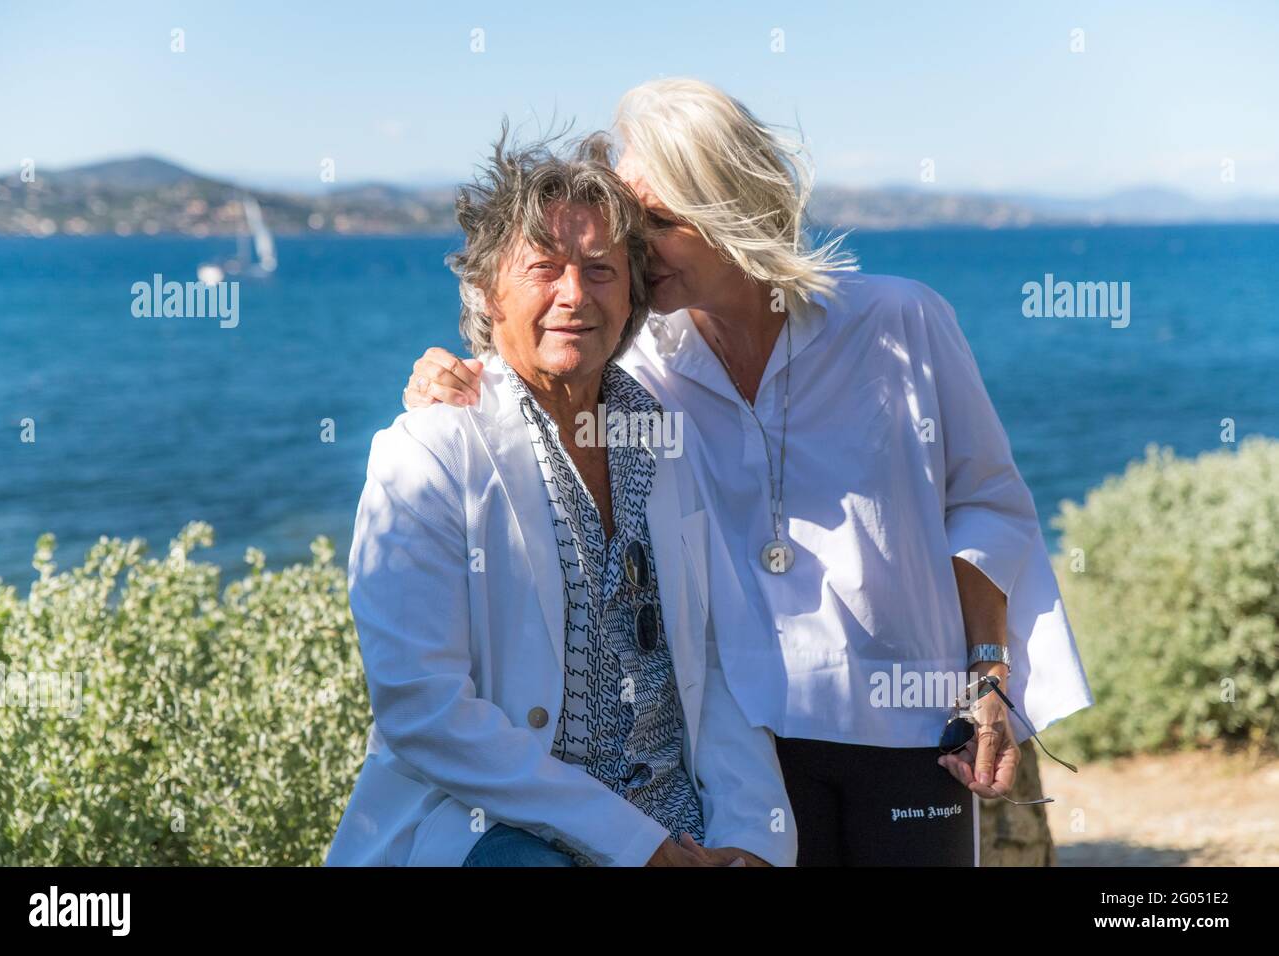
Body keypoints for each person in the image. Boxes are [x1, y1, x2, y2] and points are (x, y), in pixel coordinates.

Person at [401, 79, 1093, 866]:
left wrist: (987, 680)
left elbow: (985, 506)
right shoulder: (644, 363)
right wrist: (448, 378)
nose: (634, 252)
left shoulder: (900, 322)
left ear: (733, 211)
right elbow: (539, 365)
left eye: (656, 223)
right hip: (745, 755)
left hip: (911, 729)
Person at [326, 129, 797, 868]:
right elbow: (425, 711)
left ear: (634, 293)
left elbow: (719, 662)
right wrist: (638, 849)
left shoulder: (663, 439)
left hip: (681, 822)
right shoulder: (428, 454)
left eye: (601, 269)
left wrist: (752, 837)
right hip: (505, 833)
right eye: (544, 267)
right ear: (488, 291)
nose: (574, 295)